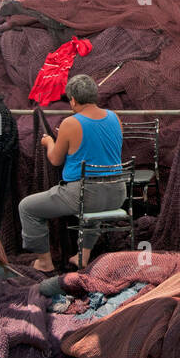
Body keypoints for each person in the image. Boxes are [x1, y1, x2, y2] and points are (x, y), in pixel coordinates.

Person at [19, 74, 124, 272]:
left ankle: (44, 262)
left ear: (73, 100)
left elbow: (55, 159)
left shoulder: (70, 123)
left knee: (27, 208)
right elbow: (104, 149)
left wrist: (50, 142)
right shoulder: (114, 117)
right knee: (93, 209)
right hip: (117, 193)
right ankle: (83, 256)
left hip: (86, 195)